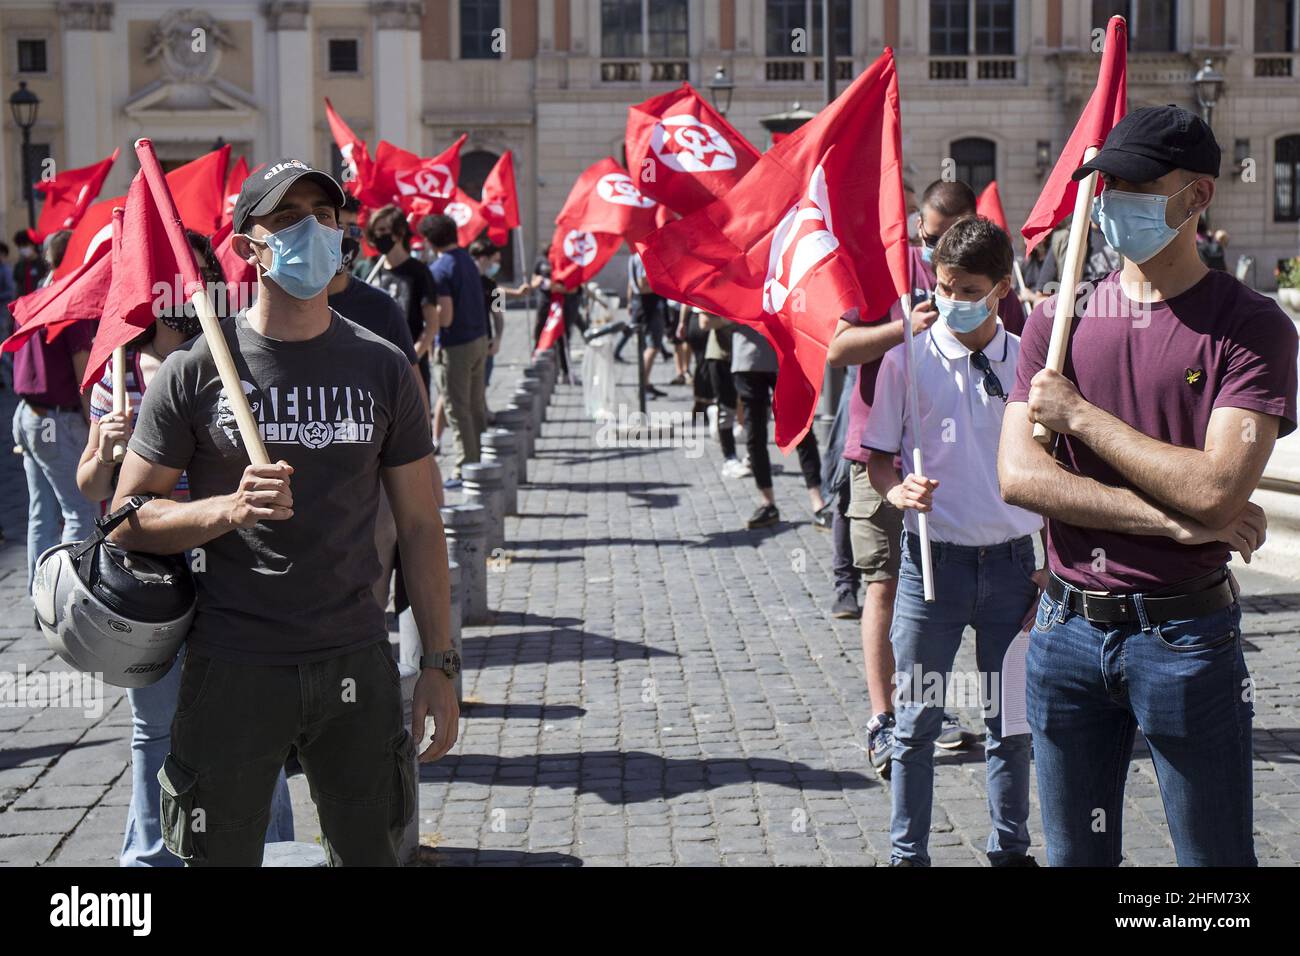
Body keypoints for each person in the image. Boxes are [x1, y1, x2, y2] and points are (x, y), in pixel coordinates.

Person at [109, 158, 459, 866]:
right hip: (232, 666)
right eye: (289, 219)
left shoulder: (385, 367)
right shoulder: (197, 369)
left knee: (374, 855)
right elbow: (126, 518)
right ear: (247, 246)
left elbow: (422, 527)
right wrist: (228, 509)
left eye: (325, 217)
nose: (313, 231)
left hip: (355, 659)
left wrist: (441, 665)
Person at [999, 106, 1298, 866]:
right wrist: (1167, 523)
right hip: (1063, 629)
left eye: (1137, 186)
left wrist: (1081, 418)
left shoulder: (1249, 325)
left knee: (1215, 865)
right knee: (1074, 858)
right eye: (1107, 186)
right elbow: (1019, 476)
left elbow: (1215, 491)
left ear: (1196, 198)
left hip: (1184, 639)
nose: (1113, 203)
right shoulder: (1059, 322)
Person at [76, 230, 295, 866]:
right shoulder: (118, 376)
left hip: (230, 565)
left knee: (255, 722)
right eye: (173, 275)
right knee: (157, 726)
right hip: (147, 576)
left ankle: (274, 850)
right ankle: (147, 860)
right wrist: (109, 450)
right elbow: (91, 486)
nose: (187, 288)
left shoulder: (235, 360)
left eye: (199, 274)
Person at [863, 216, 1044, 867]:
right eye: (943, 286)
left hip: (1014, 569)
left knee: (1009, 726)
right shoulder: (904, 362)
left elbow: (1056, 466)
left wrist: (1051, 563)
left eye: (968, 289)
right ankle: (907, 856)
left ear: (1000, 289)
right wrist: (896, 491)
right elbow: (879, 458)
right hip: (929, 569)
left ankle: (1010, 849)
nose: (951, 299)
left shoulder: (1029, 359)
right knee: (914, 726)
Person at [827, 180, 989, 777]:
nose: (938, 246)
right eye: (929, 235)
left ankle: (928, 707)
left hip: (949, 462)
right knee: (885, 585)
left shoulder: (984, 281)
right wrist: (903, 330)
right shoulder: (884, 275)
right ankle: (882, 717)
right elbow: (838, 350)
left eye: (951, 234)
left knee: (942, 592)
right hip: (878, 453)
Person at [12, 228, 98, 592]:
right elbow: (83, 375)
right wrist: (93, 425)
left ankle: (38, 595)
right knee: (80, 512)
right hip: (55, 420)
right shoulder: (71, 303)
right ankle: (66, 599)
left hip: (27, 414)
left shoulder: (37, 295)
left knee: (41, 513)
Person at [730, 323, 825, 529]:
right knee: (755, 435)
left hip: (786, 354)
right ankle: (768, 503)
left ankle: (819, 501)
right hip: (748, 358)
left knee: (801, 428)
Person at [421, 213, 489, 487]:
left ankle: (465, 467)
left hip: (455, 345)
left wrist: (429, 325)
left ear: (429, 240)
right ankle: (480, 458)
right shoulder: (466, 260)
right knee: (475, 405)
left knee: (457, 409)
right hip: (478, 339)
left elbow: (445, 316)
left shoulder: (439, 270)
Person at [367, 205, 440, 399]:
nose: (378, 237)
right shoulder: (370, 270)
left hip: (409, 366)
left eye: (383, 230)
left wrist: (410, 360)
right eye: (375, 232)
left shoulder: (419, 272)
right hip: (374, 367)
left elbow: (432, 325)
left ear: (399, 233)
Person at [697, 311, 748, 478]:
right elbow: (704, 323)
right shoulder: (713, 287)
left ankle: (753, 456)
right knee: (727, 408)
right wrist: (736, 316)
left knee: (751, 406)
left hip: (746, 354)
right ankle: (730, 458)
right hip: (721, 356)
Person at [625, 251, 668, 399]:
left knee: (649, 346)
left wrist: (630, 302)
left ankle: (646, 384)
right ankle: (643, 386)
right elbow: (643, 285)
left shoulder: (633, 256)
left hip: (641, 303)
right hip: (648, 304)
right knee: (652, 347)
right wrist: (665, 284)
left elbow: (631, 283)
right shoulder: (645, 256)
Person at [468, 238, 506, 389]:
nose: (495, 265)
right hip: (465, 342)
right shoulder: (462, 281)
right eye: (494, 260)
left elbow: (499, 313)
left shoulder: (492, 284)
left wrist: (497, 339)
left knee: (482, 385)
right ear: (483, 258)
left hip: (486, 341)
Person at [11, 229, 46, 296]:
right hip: (23, 301)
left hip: (39, 299)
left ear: (33, 245)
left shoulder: (42, 263)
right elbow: (17, 286)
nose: (22, 248)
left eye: (25, 245)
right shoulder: (19, 266)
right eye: (20, 246)